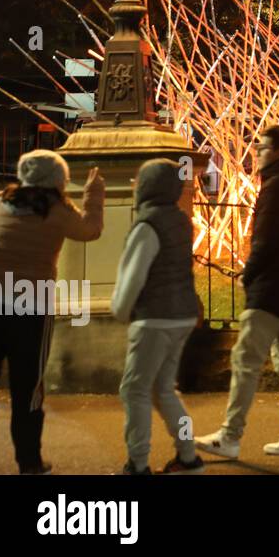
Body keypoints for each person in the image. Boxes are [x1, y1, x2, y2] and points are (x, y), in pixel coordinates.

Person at [196, 124, 279, 459]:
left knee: (245, 361)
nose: (257, 153)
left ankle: (230, 436)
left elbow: (265, 241)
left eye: (262, 147)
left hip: (271, 290)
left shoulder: (276, 187)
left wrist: (248, 275)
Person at [0, 151, 103, 474]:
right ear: (58, 178)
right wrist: (93, 193)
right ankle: (29, 462)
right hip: (32, 308)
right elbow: (90, 230)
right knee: (28, 389)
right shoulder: (57, 210)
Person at [111, 158, 205, 475]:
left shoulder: (146, 225)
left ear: (149, 185)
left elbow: (134, 276)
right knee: (163, 389)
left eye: (139, 180)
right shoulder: (179, 220)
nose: (134, 184)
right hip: (181, 315)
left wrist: (121, 310)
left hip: (154, 318)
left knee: (134, 390)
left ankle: (137, 463)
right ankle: (188, 456)